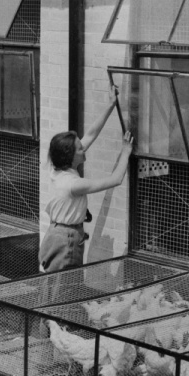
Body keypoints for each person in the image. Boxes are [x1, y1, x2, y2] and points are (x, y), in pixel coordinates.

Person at [40, 96, 133, 273]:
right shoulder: (73, 184)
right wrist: (126, 151)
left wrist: (110, 104)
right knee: (68, 285)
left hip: (55, 234)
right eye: (80, 149)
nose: (84, 149)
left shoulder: (56, 169)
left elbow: (90, 134)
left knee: (54, 284)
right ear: (70, 156)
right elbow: (115, 179)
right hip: (67, 238)